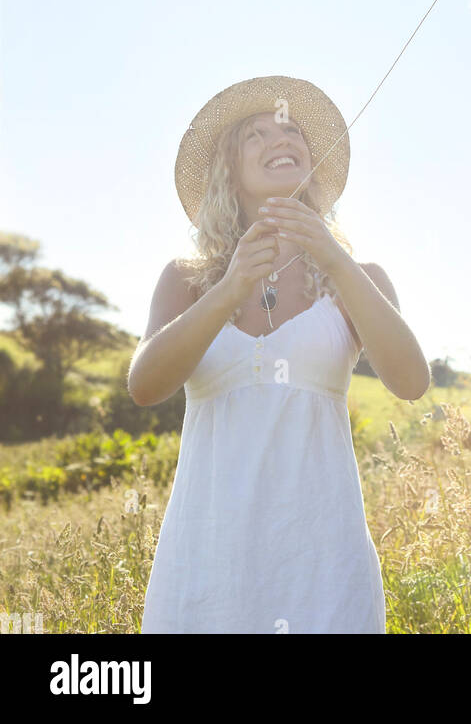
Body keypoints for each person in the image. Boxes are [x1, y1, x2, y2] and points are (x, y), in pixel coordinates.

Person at [131, 74, 430, 634]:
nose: (280, 138)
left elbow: (411, 383)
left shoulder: (359, 279)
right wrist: (230, 289)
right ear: (229, 169)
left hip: (323, 561)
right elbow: (145, 386)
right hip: (209, 559)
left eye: (292, 129)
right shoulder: (187, 281)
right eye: (257, 134)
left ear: (312, 163)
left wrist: (335, 260)